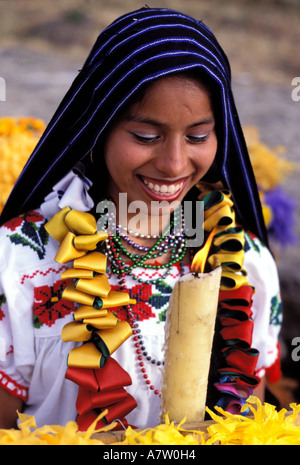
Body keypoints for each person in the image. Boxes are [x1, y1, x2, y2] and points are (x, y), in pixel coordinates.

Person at [0, 7, 282, 430]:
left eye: (198, 136)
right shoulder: (21, 265)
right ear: (97, 129)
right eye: (146, 136)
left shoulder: (246, 265)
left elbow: (251, 428)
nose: (173, 164)